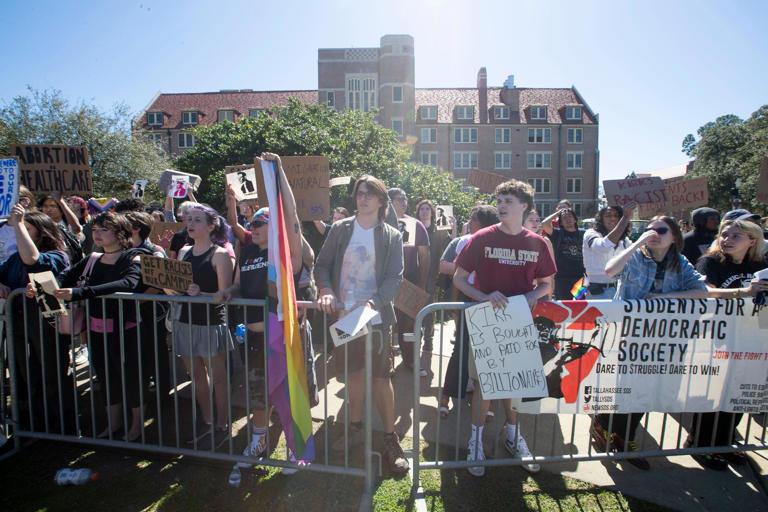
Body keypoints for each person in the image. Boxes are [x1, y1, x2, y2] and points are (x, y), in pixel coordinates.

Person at [453, 180, 555, 476]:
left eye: (508, 200)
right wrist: (484, 297)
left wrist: (531, 296)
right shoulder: (482, 238)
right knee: (484, 386)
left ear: (525, 206)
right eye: (499, 200)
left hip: (521, 321)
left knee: (513, 385)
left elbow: (546, 284)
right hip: (485, 320)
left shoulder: (538, 243)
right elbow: (459, 278)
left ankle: (513, 436)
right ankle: (476, 442)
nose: (501, 205)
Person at [217, 153, 306, 485]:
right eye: (251, 223)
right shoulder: (248, 252)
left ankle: (295, 452)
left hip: (282, 338)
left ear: (275, 226)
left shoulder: (285, 253)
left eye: (259, 222)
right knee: (257, 394)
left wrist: (279, 172)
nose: (252, 226)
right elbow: (239, 283)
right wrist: (229, 292)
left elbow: (292, 214)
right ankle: (257, 444)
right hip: (252, 337)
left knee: (286, 397)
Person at [593, 216, 708, 470]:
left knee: (646, 390)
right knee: (627, 388)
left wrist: (665, 298)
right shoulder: (635, 256)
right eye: (649, 229)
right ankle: (613, 433)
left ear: (675, 237)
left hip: (663, 337)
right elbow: (610, 270)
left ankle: (616, 432)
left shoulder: (680, 262)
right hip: (630, 334)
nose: (653, 233)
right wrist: (636, 243)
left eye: (661, 230)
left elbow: (701, 291)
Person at [316, 175, 409, 475]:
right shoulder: (341, 229)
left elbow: (395, 278)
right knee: (353, 376)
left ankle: (390, 440)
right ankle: (354, 429)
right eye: (359, 193)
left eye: (370, 194)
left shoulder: (391, 235)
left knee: (381, 380)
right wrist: (326, 290)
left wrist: (374, 303)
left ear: (381, 200)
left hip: (377, 320)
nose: (363, 197)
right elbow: (321, 266)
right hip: (345, 319)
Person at [46, 212, 145, 440]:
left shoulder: (134, 257)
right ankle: (114, 424)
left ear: (120, 234)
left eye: (103, 230)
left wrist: (81, 292)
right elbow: (65, 277)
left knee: (130, 376)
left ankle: (136, 426)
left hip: (126, 329)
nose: (96, 234)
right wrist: (46, 287)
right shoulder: (92, 258)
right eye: (95, 229)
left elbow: (128, 283)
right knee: (105, 376)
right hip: (96, 329)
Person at [687, 219, 768, 470]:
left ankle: (724, 443)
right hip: (717, 339)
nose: (727, 240)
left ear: (752, 241)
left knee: (740, 393)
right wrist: (744, 293)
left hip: (751, 339)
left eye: (735, 236)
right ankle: (700, 444)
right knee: (713, 396)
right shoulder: (710, 262)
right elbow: (705, 291)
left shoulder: (761, 265)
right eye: (724, 235)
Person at [165, 204, 234, 448]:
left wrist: (201, 292)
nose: (190, 224)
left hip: (211, 322)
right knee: (197, 376)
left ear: (211, 225)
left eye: (197, 220)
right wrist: (166, 284)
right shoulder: (183, 252)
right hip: (185, 321)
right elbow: (176, 290)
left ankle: (222, 423)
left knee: (218, 377)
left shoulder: (220, 254)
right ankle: (206, 420)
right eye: (188, 219)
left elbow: (224, 295)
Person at [3, 205, 72, 432]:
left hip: (46, 320)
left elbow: (32, 260)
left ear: (42, 233)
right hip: (20, 321)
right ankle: (35, 422)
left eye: (28, 228)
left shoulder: (57, 255)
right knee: (26, 373)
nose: (21, 231)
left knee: (52, 373)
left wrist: (20, 222)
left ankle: (61, 423)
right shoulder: (14, 258)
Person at [437, 205, 498, 418]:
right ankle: (446, 395)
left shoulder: (499, 241)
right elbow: (450, 271)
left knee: (486, 353)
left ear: (484, 222)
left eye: (473, 218)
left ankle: (485, 401)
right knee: (461, 350)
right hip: (469, 298)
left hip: (491, 301)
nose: (468, 222)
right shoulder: (463, 241)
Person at [388, 188, 429, 371]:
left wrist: (421, 285)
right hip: (385, 283)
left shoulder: (416, 224)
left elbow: (424, 255)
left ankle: (410, 361)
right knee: (384, 325)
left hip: (410, 282)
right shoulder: (376, 224)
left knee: (408, 326)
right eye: (399, 199)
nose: (404, 202)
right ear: (389, 201)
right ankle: (385, 363)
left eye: (405, 198)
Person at [415, 199, 452, 357]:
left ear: (432, 212)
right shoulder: (413, 228)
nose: (424, 211)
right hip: (415, 275)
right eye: (421, 209)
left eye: (427, 209)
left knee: (429, 310)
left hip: (433, 275)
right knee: (414, 309)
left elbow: (450, 246)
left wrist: (454, 228)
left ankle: (428, 341)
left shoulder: (440, 230)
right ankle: (417, 339)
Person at [582, 203, 635, 299]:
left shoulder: (624, 241)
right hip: (597, 292)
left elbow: (635, 258)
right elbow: (603, 247)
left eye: (616, 216)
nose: (613, 219)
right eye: (608, 215)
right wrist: (625, 218)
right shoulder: (591, 234)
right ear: (601, 218)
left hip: (619, 291)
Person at [544, 208, 585, 300]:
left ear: (575, 220)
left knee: (580, 305)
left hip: (580, 278)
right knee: (564, 306)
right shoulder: (558, 233)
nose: (568, 219)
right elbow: (544, 224)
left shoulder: (583, 234)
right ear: (561, 223)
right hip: (562, 279)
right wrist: (558, 213)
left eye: (570, 216)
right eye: (564, 218)